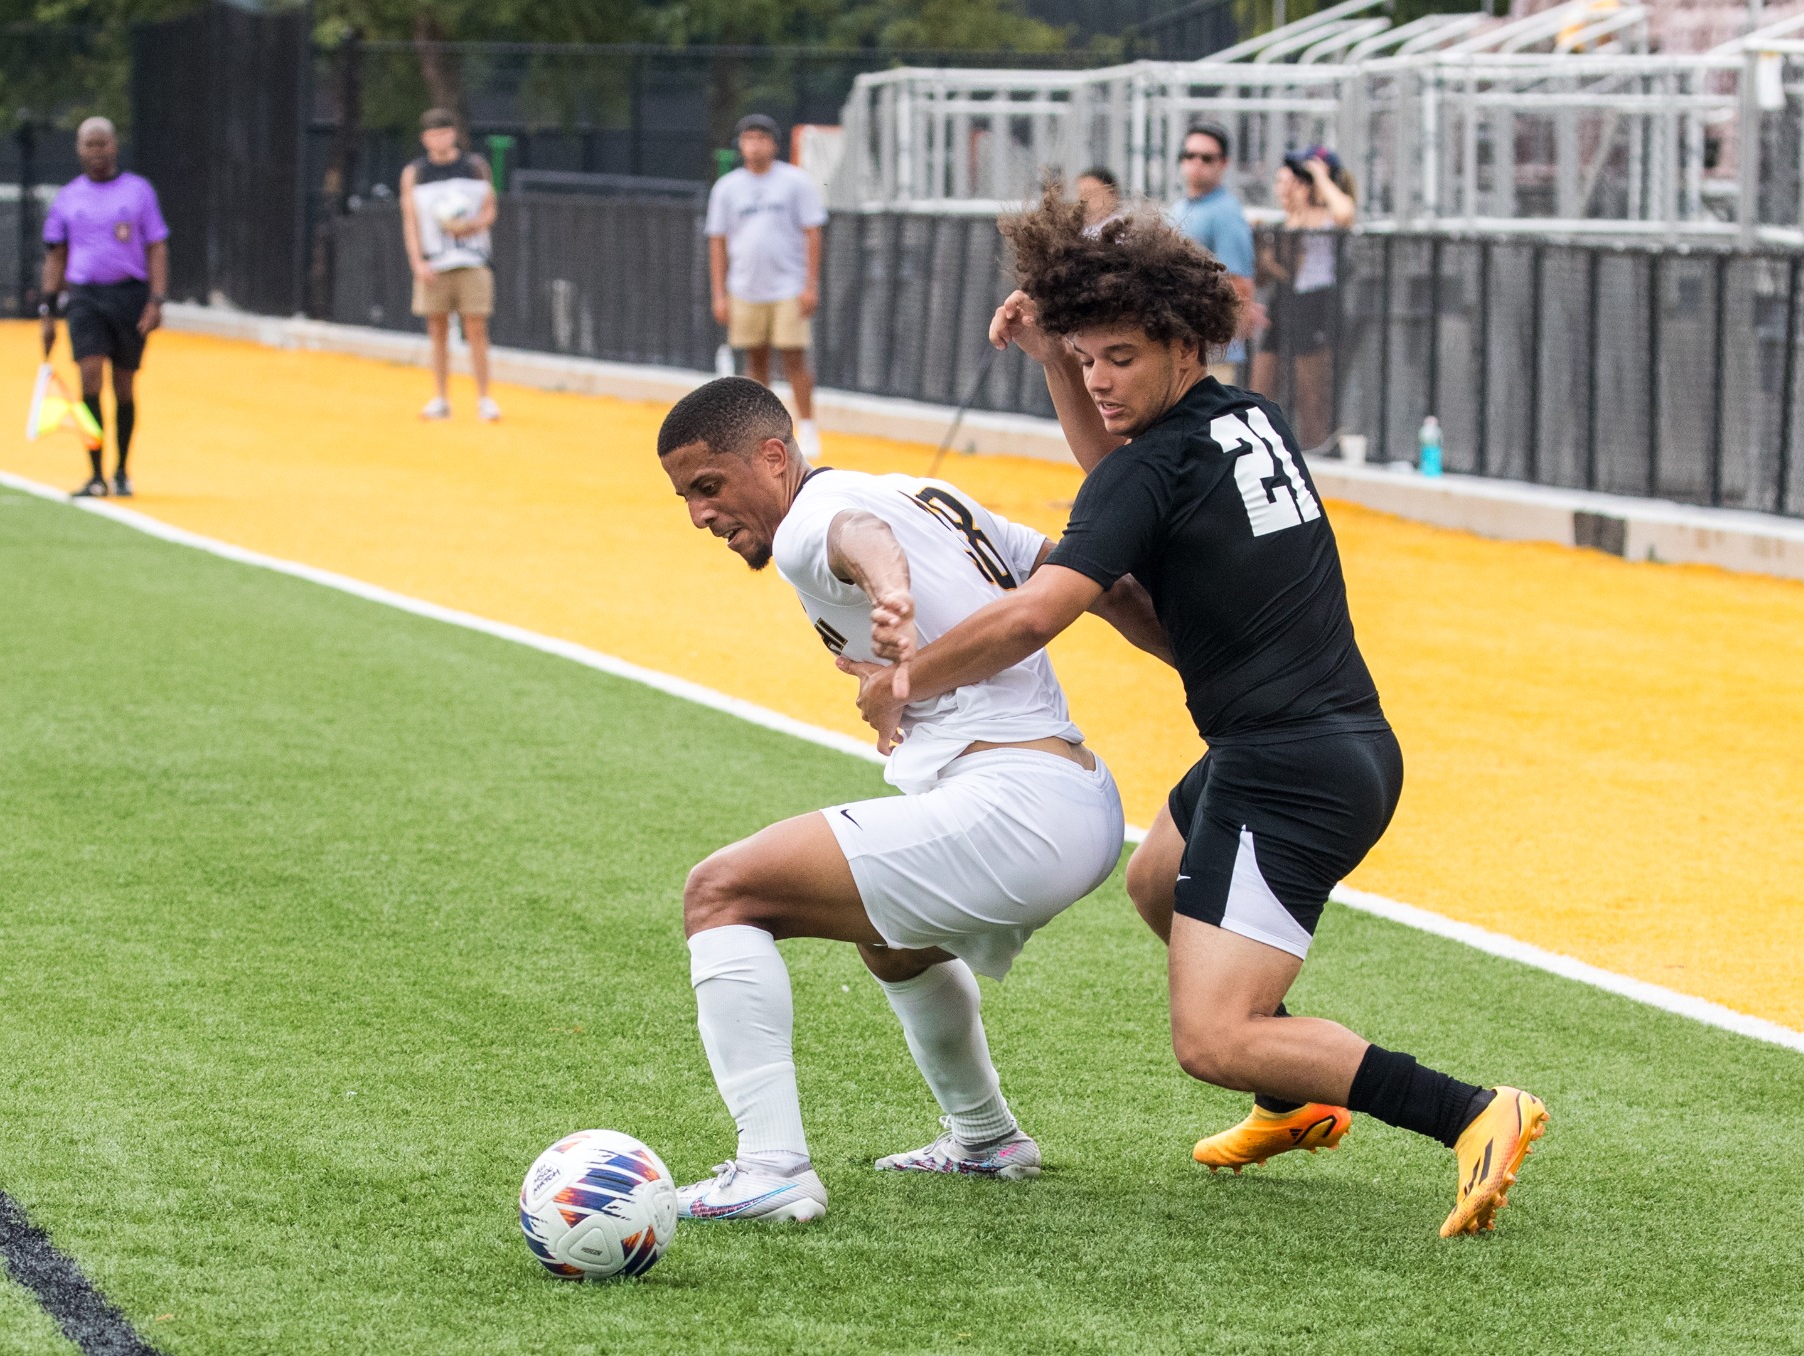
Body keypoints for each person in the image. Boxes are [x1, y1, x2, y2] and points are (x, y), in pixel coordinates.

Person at [846, 192, 1548, 1238]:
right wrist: (1052, 360)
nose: (1099, 379)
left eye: (1118, 358)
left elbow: (1037, 611)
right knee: (1155, 879)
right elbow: (1120, 483)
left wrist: (903, 677)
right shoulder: (1244, 415)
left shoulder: (1153, 464)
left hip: (1288, 771)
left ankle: (1471, 1111)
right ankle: (1293, 1098)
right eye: (1085, 358)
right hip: (1316, 740)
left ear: (1182, 341)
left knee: (1212, 1038)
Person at [656, 376, 1171, 1222]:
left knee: (719, 893)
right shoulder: (920, 493)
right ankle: (987, 1139)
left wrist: (892, 598)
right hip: (1078, 794)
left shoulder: (812, 523)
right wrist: (1217, 676)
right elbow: (1105, 586)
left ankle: (770, 1169)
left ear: (774, 457)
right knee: (892, 942)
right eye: (685, 496)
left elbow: (861, 541)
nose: (698, 514)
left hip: (1018, 811)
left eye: (708, 486)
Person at [39, 116, 168, 499]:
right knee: (89, 376)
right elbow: (56, 255)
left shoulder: (138, 192)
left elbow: (156, 246)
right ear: (78, 149)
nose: (96, 152)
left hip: (129, 295)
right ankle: (95, 474)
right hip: (85, 298)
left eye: (102, 144)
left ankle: (122, 470)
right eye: (88, 145)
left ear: (114, 146)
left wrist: (156, 300)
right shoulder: (68, 197)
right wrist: (48, 312)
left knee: (124, 384)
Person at [705, 115, 827, 457]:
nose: (755, 145)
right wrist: (719, 294)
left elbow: (813, 233)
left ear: (774, 144)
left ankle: (807, 426)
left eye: (761, 138)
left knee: (794, 357)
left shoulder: (795, 182)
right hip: (745, 287)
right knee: (755, 360)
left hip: (788, 286)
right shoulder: (727, 188)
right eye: (748, 139)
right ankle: (762, 431)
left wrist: (810, 285)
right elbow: (717, 241)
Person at [1252, 147, 1356, 451]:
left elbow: (1345, 213)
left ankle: (1317, 450)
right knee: (1262, 382)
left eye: (1301, 179)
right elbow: (1283, 271)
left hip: (1316, 301)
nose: (1294, 185)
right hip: (1286, 300)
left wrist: (1321, 178)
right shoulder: (1289, 219)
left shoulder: (1327, 217)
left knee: (1310, 391)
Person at [401, 108, 499, 422]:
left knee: (476, 327)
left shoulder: (475, 166)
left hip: (472, 259)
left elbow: (490, 208)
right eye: (433, 135)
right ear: (425, 139)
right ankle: (441, 398)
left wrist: (471, 226)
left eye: (444, 133)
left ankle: (484, 398)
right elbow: (410, 221)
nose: (439, 140)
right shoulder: (415, 173)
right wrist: (417, 262)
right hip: (435, 262)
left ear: (453, 134)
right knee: (437, 329)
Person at [1166, 123, 1258, 387]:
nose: (1196, 163)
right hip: (1180, 343)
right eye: (1189, 155)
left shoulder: (1226, 212)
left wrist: (1224, 342)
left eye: (1206, 158)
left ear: (1223, 163)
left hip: (1212, 353)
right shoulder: (1179, 208)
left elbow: (1240, 283)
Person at [1076, 166, 1123, 233]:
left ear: (1113, 195)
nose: (1083, 200)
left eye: (1090, 193)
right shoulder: (1084, 229)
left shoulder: (1121, 229)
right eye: (1081, 194)